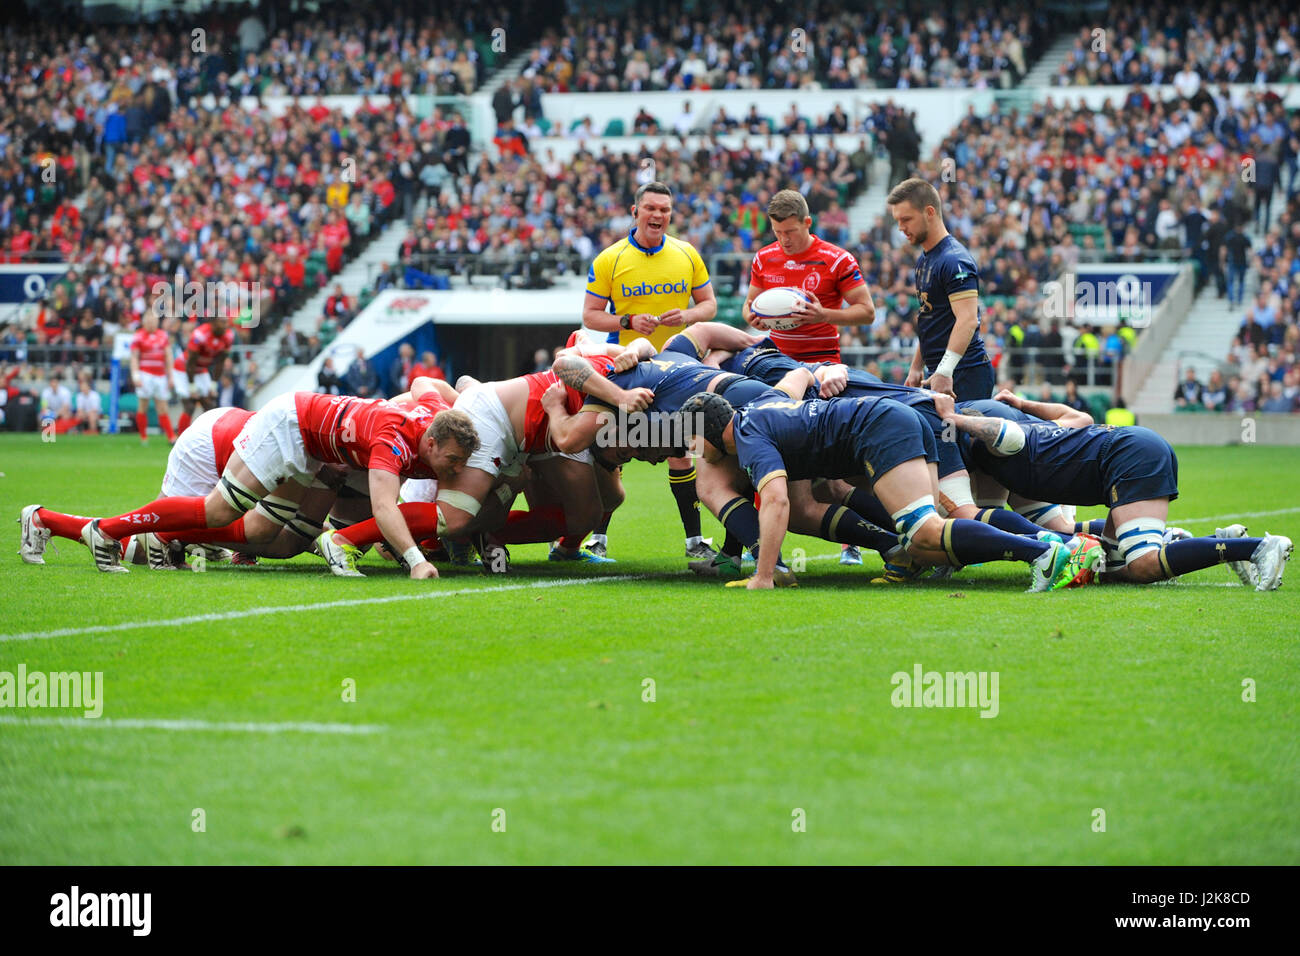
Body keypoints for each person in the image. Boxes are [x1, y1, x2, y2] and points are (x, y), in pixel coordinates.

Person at [677, 390, 1080, 592]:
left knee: (925, 531)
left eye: (692, 440)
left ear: (708, 430)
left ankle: (1044, 553)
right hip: (892, 418)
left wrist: (764, 576)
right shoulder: (757, 414)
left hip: (881, 427)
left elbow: (778, 499)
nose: (691, 450)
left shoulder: (747, 435)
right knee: (925, 539)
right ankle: (1063, 541)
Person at [936, 390, 1292, 590]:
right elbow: (1082, 418)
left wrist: (956, 418)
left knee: (1144, 566)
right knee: (1110, 568)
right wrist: (1025, 404)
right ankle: (1209, 542)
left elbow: (1005, 434)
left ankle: (1258, 547)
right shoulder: (1042, 431)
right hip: (1128, 454)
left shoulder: (1008, 441)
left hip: (1130, 458)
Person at [581, 181, 720, 561]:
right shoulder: (610, 258)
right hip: (629, 368)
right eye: (651, 209)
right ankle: (597, 537)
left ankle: (694, 542)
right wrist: (625, 319)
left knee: (681, 449)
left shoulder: (686, 253)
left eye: (665, 210)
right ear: (635, 211)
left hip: (679, 368)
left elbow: (708, 306)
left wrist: (688, 315)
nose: (658, 215)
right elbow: (590, 315)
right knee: (613, 447)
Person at [887, 177, 995, 402]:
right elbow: (929, 318)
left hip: (965, 372)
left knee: (957, 436)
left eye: (906, 219)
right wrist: (916, 366)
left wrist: (945, 371)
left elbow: (967, 320)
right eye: (897, 220)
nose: (901, 228)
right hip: (939, 372)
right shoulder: (924, 260)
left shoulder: (954, 260)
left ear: (929, 212)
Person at [129, 312, 177, 443]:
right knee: (143, 405)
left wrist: (171, 376)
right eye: (149, 321)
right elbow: (134, 357)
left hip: (160, 376)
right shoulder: (138, 336)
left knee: (162, 406)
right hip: (145, 375)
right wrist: (136, 376)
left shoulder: (162, 335)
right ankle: (143, 437)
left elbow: (168, 356)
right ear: (144, 322)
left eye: (154, 320)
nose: (151, 323)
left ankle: (171, 436)